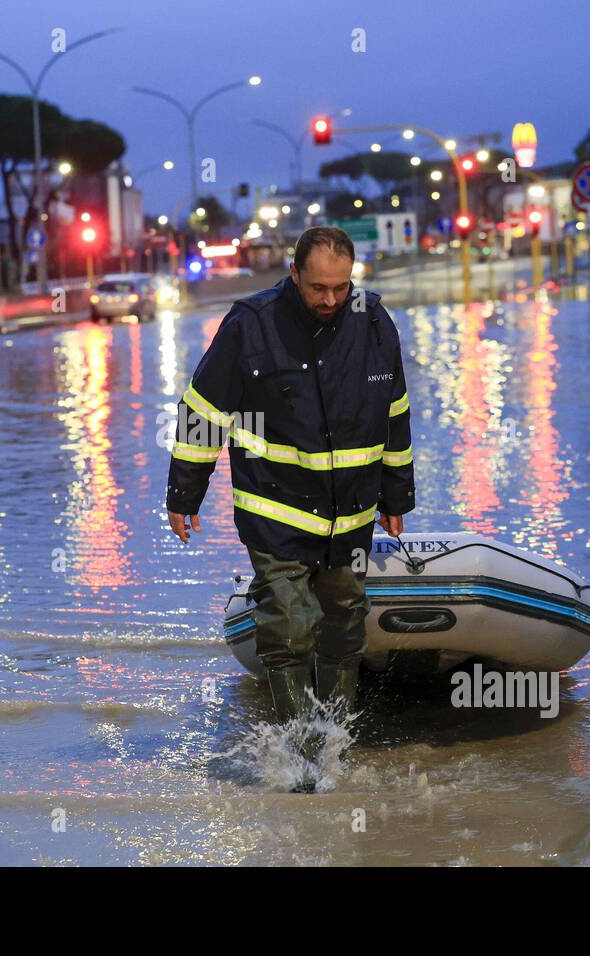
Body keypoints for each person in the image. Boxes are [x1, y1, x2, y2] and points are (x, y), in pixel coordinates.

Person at [165, 226, 416, 736]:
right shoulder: (251, 324)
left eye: (340, 288)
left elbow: (395, 414)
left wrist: (397, 494)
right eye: (318, 288)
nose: (330, 300)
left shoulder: (373, 323)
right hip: (274, 507)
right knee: (291, 624)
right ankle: (299, 754)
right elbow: (203, 412)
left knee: (345, 623)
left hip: (350, 513)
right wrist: (184, 493)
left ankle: (334, 744)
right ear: (294, 273)